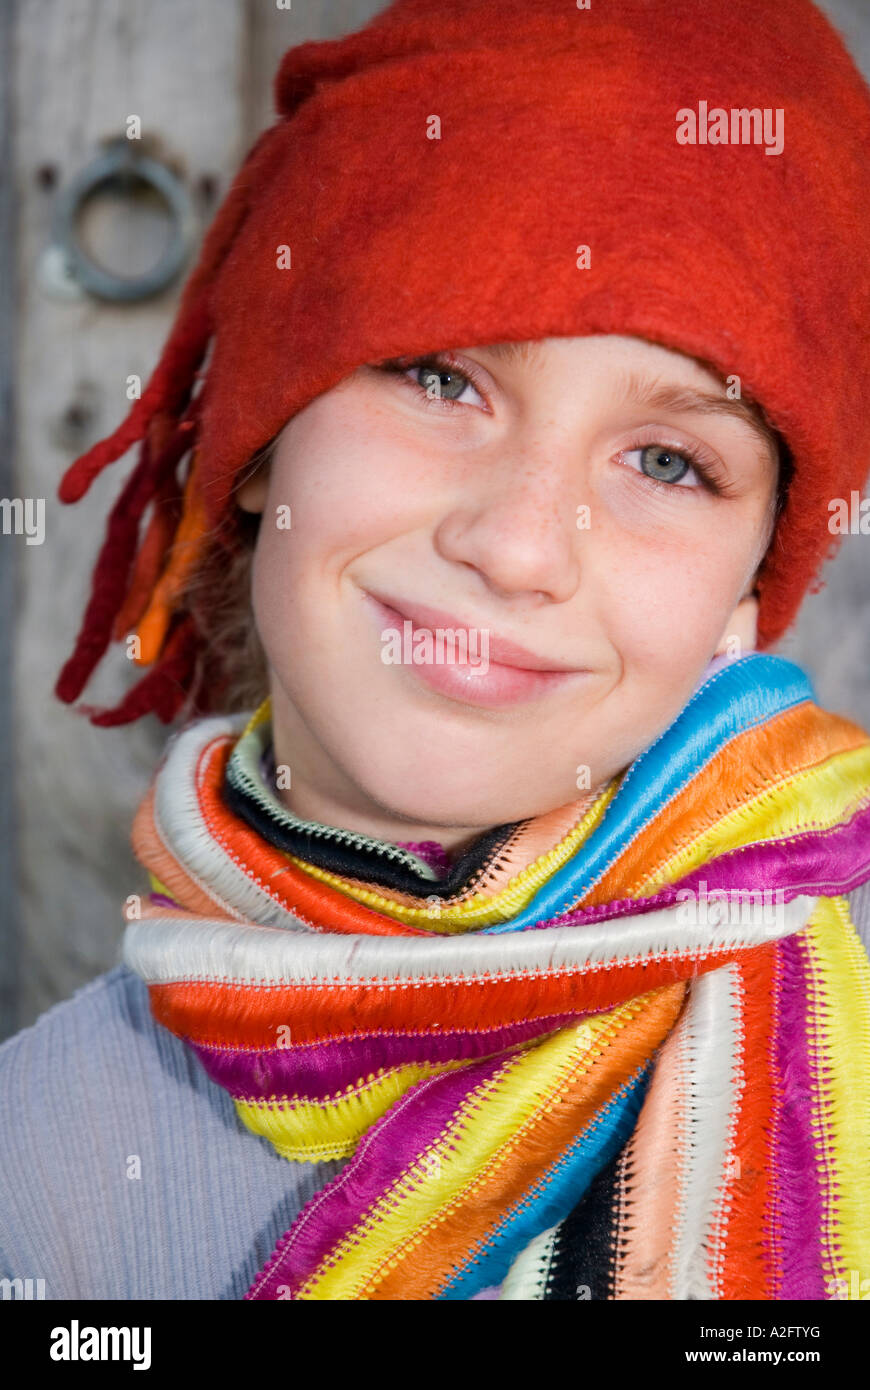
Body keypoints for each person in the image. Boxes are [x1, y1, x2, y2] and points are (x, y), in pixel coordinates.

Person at [2, 0, 869, 1301]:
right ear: (257, 426)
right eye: (437, 376)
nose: (520, 546)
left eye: (666, 460)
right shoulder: (41, 1174)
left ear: (749, 588)